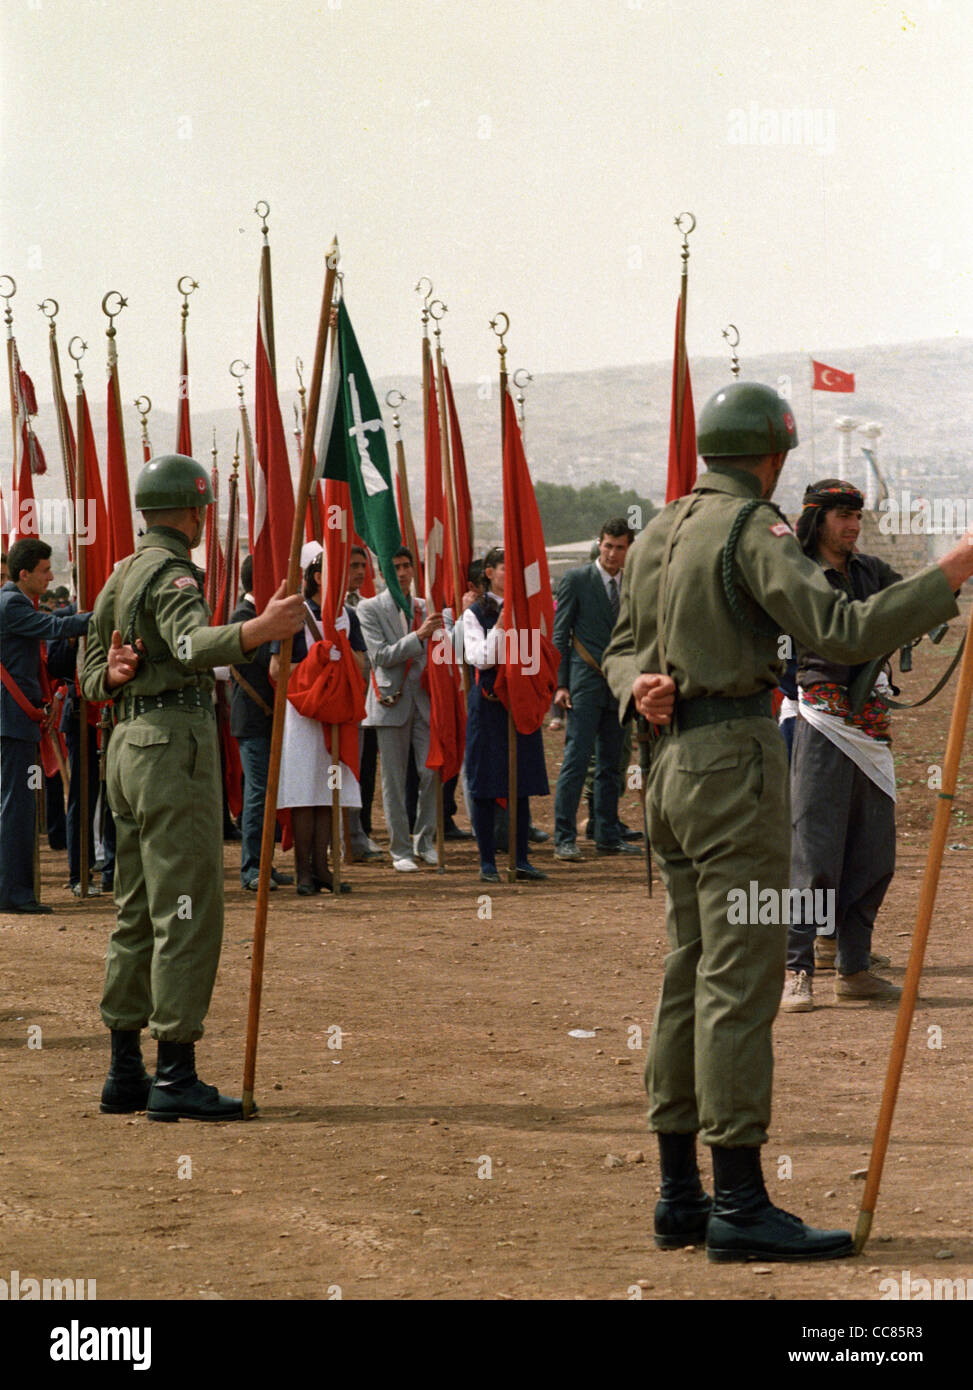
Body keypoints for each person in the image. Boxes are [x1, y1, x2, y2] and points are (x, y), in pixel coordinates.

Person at [602, 380, 973, 1262]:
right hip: (731, 762)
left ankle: (678, 1194)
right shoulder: (750, 529)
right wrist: (953, 572)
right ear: (774, 455)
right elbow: (841, 628)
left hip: (665, 768)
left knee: (687, 968)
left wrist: (635, 688)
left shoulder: (658, 528)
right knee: (740, 974)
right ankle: (737, 1202)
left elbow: (619, 651)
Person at [81, 453, 304, 1121]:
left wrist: (114, 678)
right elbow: (187, 644)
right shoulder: (175, 572)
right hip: (170, 751)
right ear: (187, 511)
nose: (204, 519)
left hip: (123, 745)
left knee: (135, 907)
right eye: (201, 509)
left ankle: (125, 1069)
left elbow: (92, 667)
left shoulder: (120, 573)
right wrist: (258, 631)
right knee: (185, 908)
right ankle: (174, 1071)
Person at [781, 480, 904, 1013]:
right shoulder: (796, 573)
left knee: (872, 851)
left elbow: (913, 603)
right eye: (841, 516)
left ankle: (853, 968)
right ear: (817, 519)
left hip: (871, 726)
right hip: (821, 722)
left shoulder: (872, 571)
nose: (852, 525)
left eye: (856, 515)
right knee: (814, 850)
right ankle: (797, 970)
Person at [1, 538, 90, 913]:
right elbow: (54, 626)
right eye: (43, 570)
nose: (50, 576)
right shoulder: (12, 604)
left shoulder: (12, 601)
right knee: (16, 810)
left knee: (18, 807)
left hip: (14, 721)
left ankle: (15, 891)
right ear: (24, 574)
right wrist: (96, 617)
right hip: (11, 721)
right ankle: (13, 894)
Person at [270, 540, 363, 894]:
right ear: (318, 576)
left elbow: (364, 663)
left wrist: (343, 657)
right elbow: (278, 669)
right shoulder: (295, 615)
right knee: (302, 792)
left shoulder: (347, 616)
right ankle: (303, 871)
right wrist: (319, 663)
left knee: (328, 790)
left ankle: (323, 866)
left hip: (335, 711)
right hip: (302, 712)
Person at [552, 517, 641, 861]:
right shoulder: (577, 579)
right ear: (598, 543)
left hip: (620, 684)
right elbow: (561, 635)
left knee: (610, 764)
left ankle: (606, 833)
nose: (613, 554)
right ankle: (564, 837)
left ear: (628, 548)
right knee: (576, 760)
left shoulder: (634, 582)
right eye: (608, 546)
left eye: (620, 547)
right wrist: (560, 684)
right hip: (584, 679)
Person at [463, 546, 549, 883]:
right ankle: (488, 861)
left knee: (520, 782)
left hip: (519, 705)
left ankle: (521, 858)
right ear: (489, 573)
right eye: (503, 568)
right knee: (486, 782)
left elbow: (529, 658)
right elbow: (480, 658)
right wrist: (501, 626)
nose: (509, 576)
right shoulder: (474, 614)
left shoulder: (525, 612)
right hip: (489, 706)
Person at [358, 547, 441, 872]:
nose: (403, 572)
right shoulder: (369, 608)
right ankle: (400, 849)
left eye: (407, 566)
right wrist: (419, 636)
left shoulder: (426, 607)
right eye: (396, 567)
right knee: (393, 780)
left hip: (425, 702)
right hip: (390, 701)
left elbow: (444, 651)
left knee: (432, 771)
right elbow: (379, 656)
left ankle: (425, 840)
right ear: (383, 573)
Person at [225, 554, 293, 892]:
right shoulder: (244, 617)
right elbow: (265, 663)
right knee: (257, 795)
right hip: (253, 718)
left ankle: (265, 863)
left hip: (266, 717)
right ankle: (251, 868)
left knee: (268, 796)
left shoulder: (257, 616)